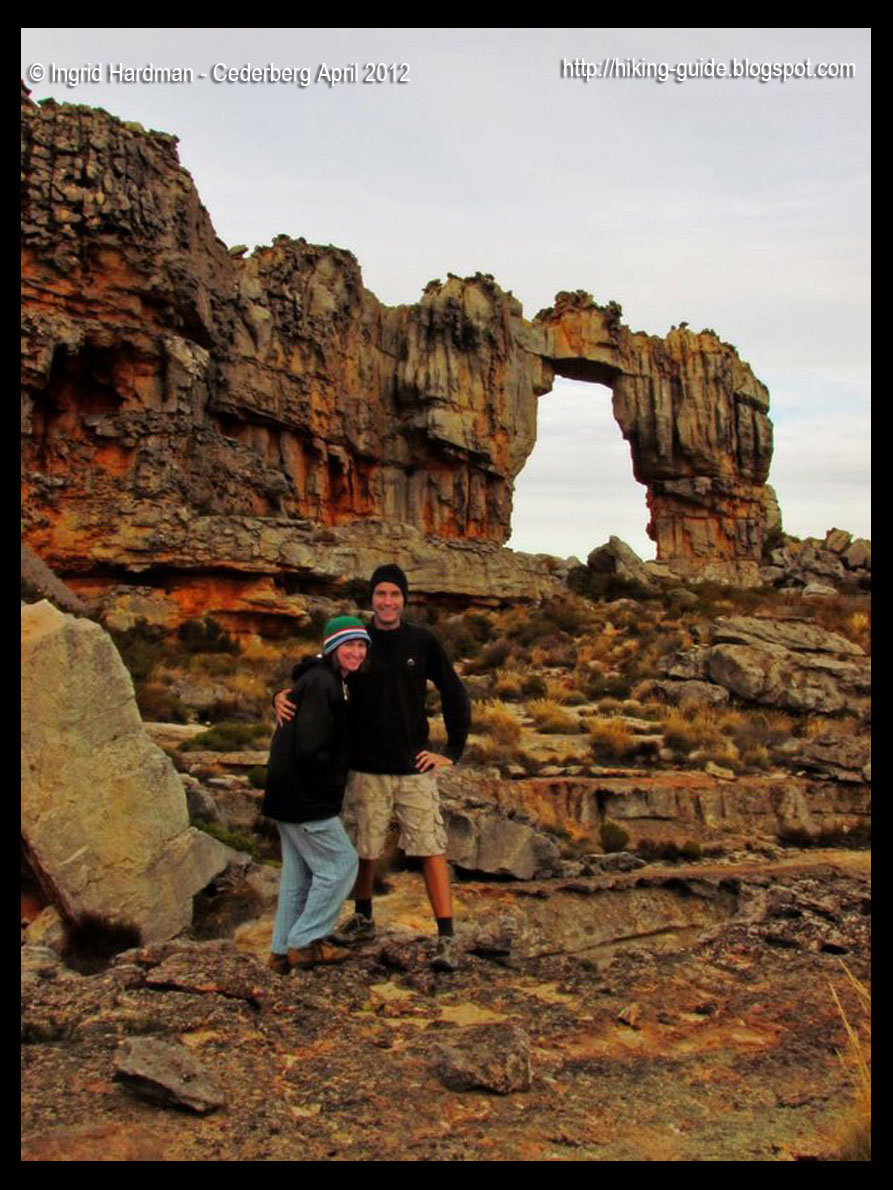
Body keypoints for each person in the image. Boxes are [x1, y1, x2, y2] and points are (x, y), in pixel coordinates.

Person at [275, 564, 470, 971]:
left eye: (394, 594)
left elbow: (453, 690)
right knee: (364, 850)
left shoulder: (422, 640)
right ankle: (362, 920)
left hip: (413, 767)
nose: (387, 601)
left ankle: (446, 936)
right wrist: (282, 694)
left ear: (404, 598)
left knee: (431, 848)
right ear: (372, 599)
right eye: (380, 594)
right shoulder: (357, 639)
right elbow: (314, 666)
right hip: (364, 769)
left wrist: (452, 749)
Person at [262, 615, 370, 973]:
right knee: (341, 865)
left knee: (299, 876)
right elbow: (311, 748)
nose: (356, 652)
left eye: (360, 645)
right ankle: (306, 941)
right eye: (348, 645)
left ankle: (280, 951)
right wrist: (328, 790)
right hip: (305, 798)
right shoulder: (324, 683)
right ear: (332, 648)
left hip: (285, 794)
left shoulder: (320, 679)